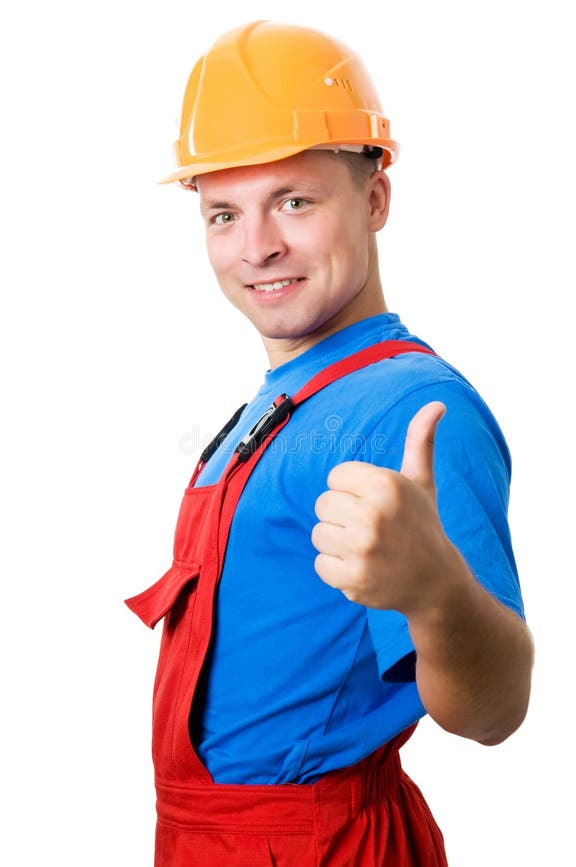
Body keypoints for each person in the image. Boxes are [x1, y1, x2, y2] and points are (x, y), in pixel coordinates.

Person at [126, 20, 533, 866]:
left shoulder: (408, 407)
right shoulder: (282, 402)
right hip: (213, 839)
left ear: (376, 198)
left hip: (310, 847)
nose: (257, 246)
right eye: (224, 213)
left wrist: (436, 591)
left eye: (295, 201)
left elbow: (497, 708)